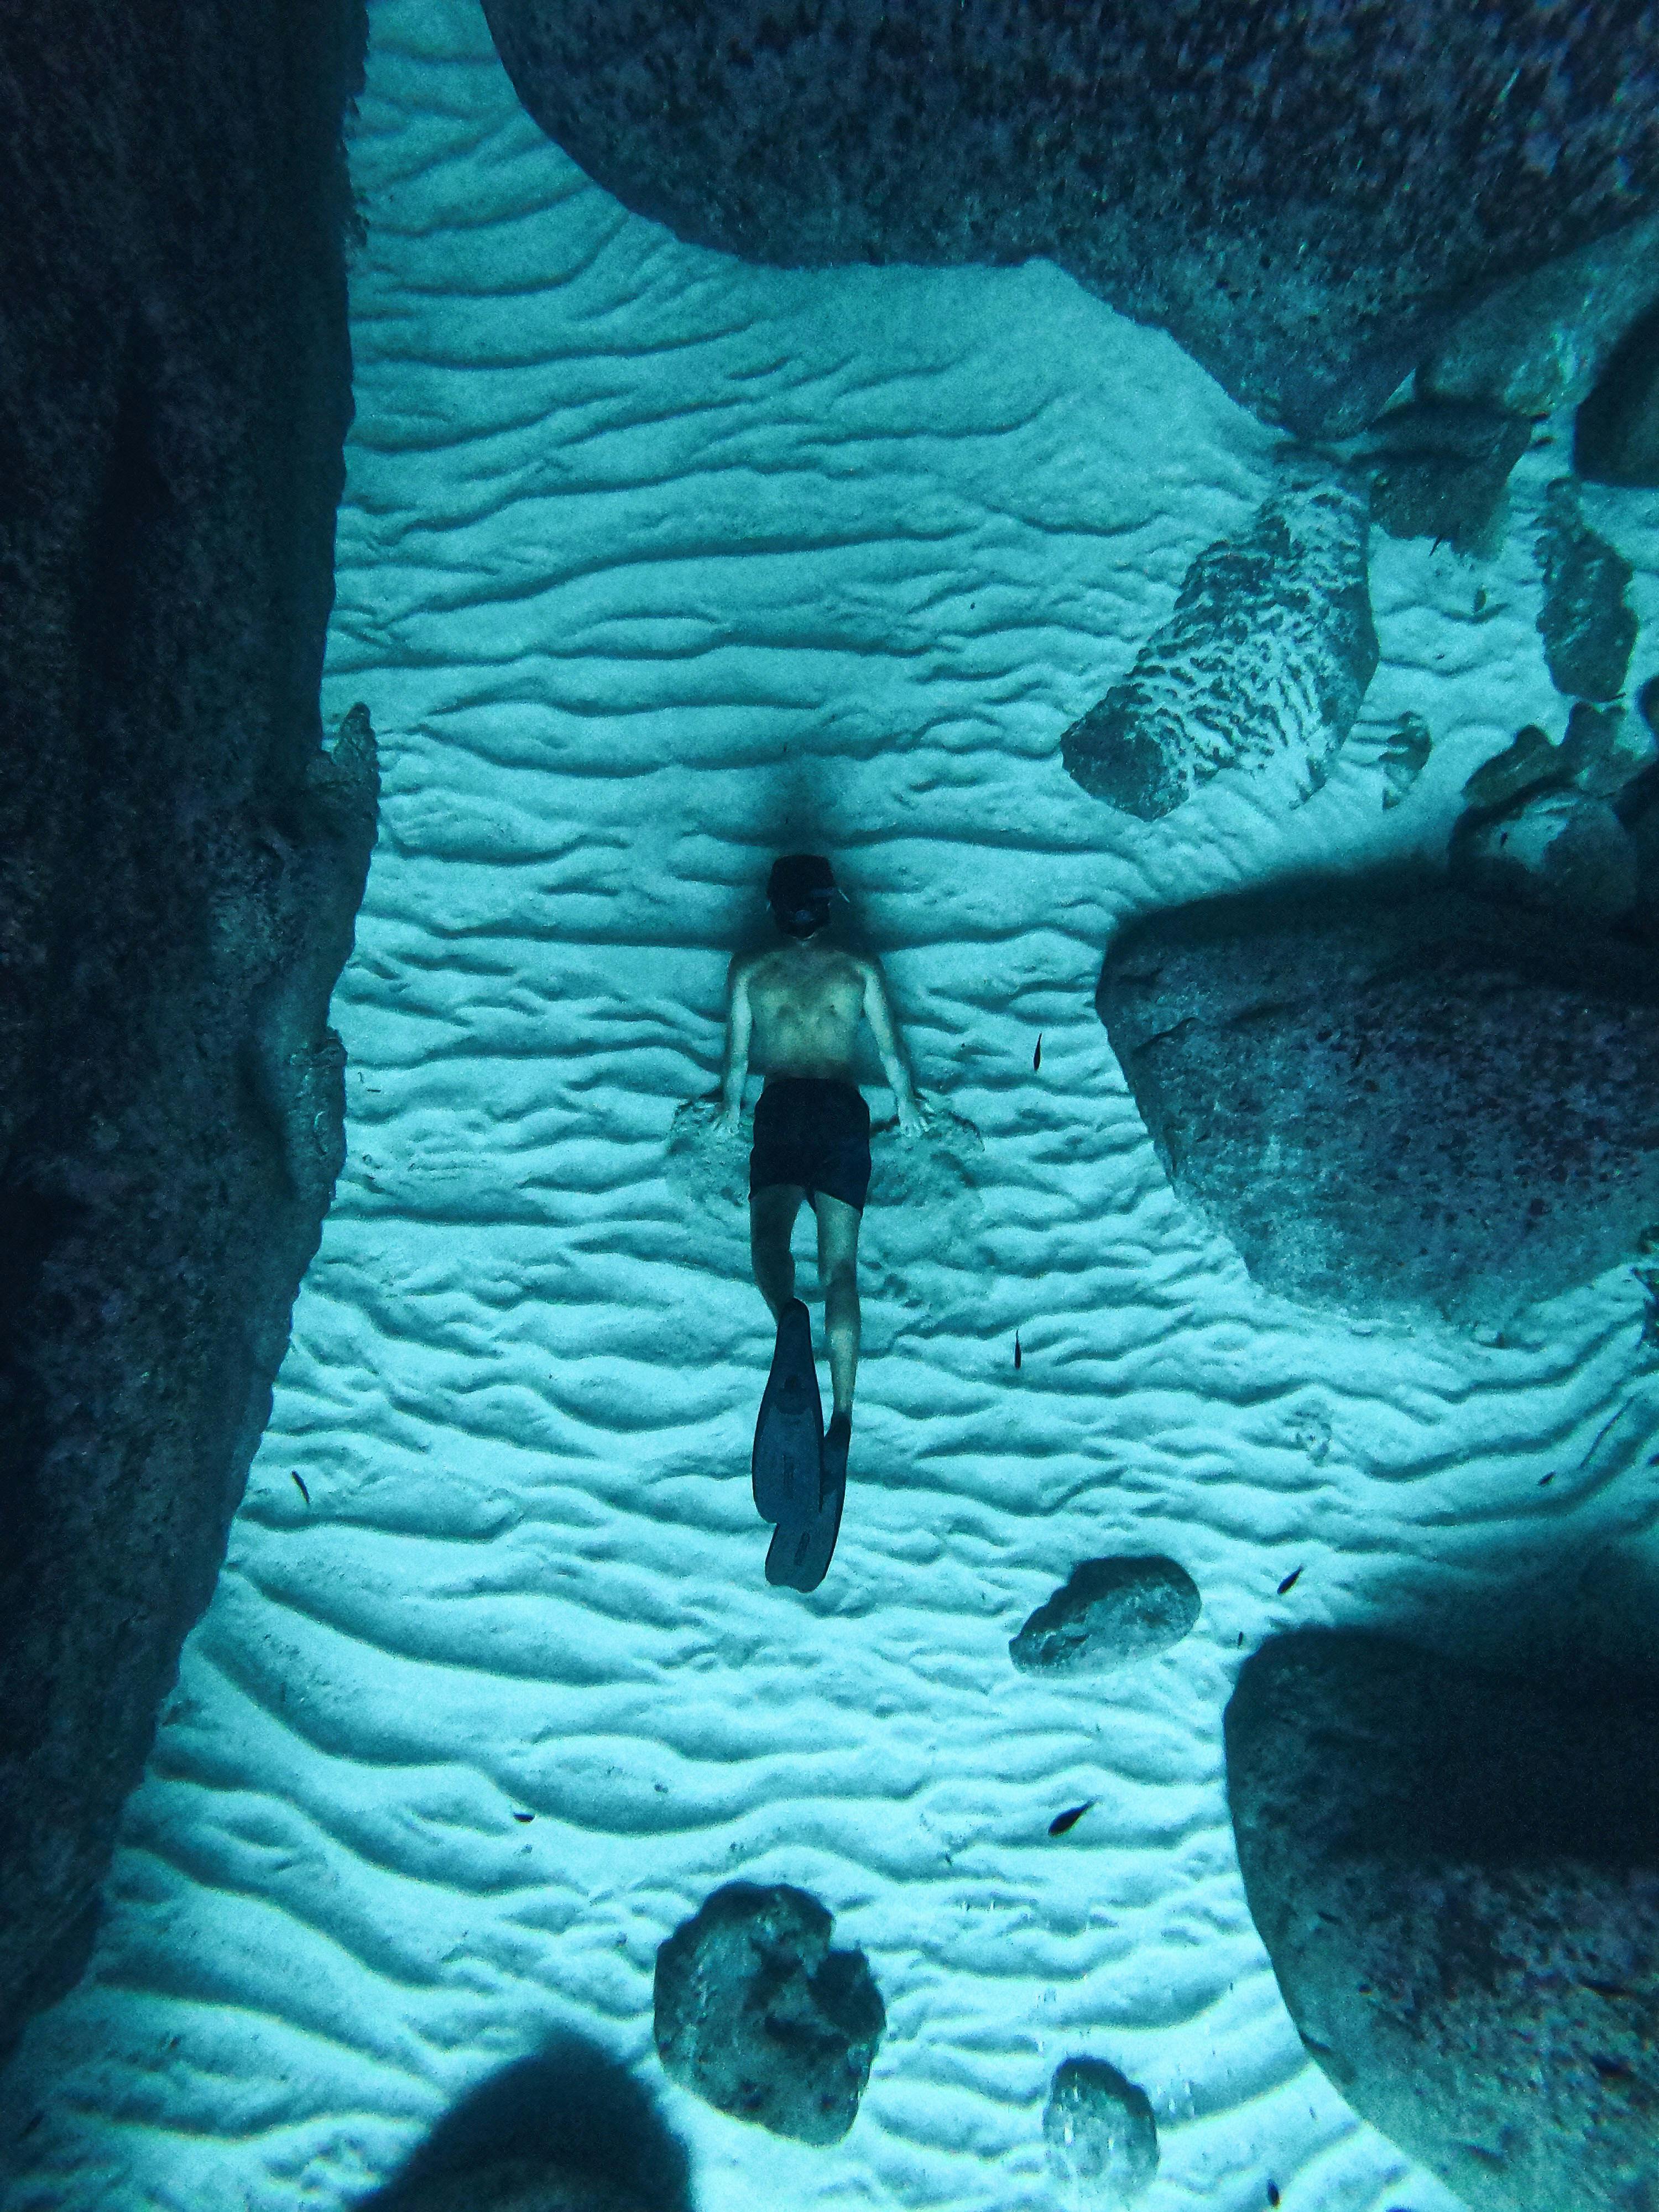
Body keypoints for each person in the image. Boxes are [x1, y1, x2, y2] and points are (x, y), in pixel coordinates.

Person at [717, 854, 925, 1588]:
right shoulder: (858, 965)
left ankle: (787, 1317)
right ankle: (841, 1411)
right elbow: (891, 1050)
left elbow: (737, 1064)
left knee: (768, 1239)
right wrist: (910, 1108)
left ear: (775, 909)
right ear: (827, 908)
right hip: (841, 1112)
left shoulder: (751, 968)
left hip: (782, 1111)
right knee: (842, 1268)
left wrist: (727, 1114)